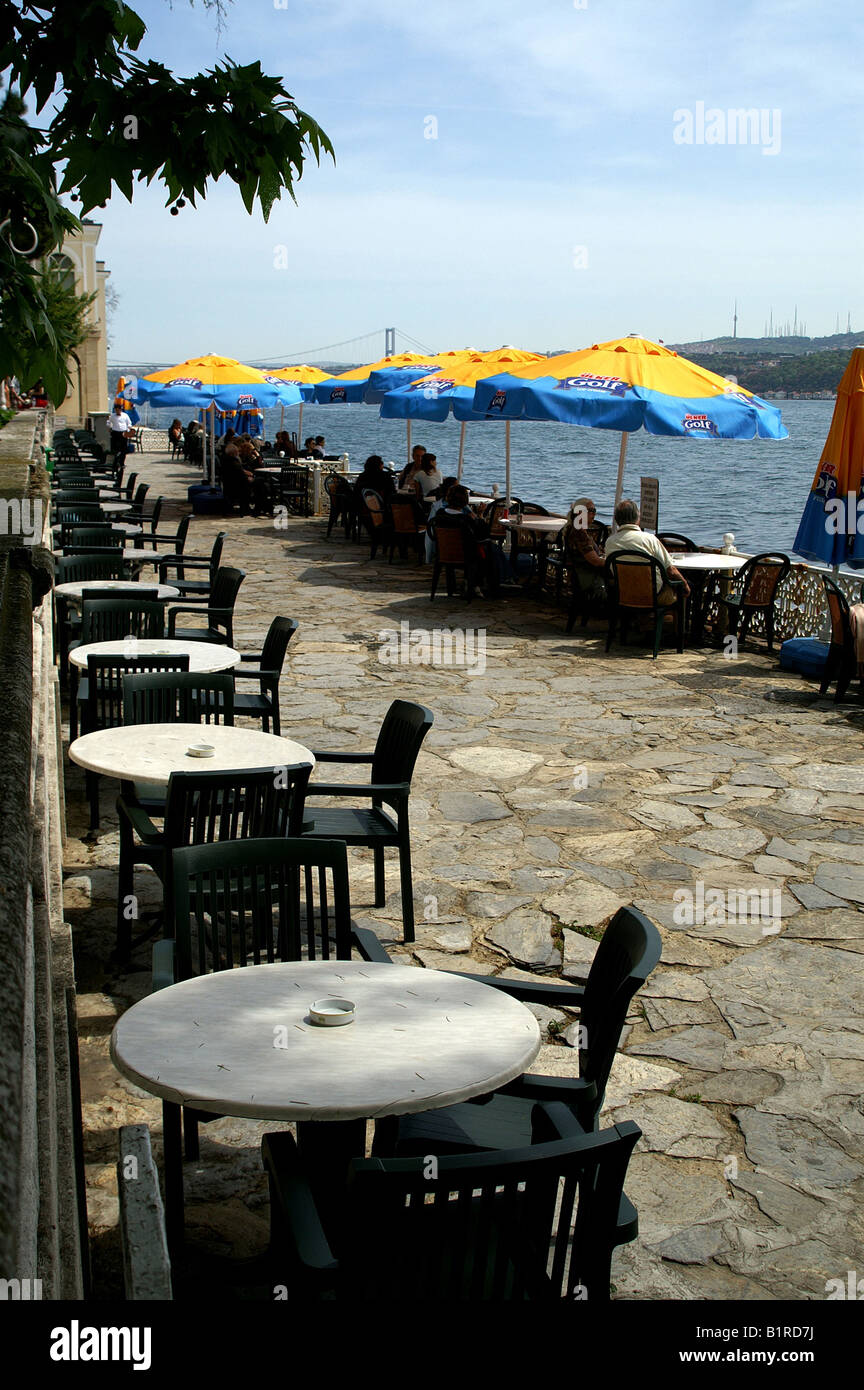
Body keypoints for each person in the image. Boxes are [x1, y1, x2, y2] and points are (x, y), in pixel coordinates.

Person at [604, 498, 690, 602]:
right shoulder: (649, 539)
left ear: (617, 519)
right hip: (653, 596)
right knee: (680, 588)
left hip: (624, 595)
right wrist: (685, 584)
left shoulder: (610, 542)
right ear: (638, 518)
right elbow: (671, 570)